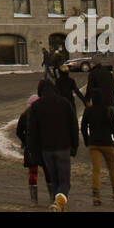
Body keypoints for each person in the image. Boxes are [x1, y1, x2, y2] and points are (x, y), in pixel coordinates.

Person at [24, 80, 80, 211]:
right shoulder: (64, 103)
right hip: (63, 147)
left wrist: (34, 152)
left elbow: (32, 133)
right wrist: (74, 146)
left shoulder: (36, 107)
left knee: (54, 179)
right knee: (64, 181)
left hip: (46, 150)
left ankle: (59, 205)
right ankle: (59, 201)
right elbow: (73, 126)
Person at [81, 87, 114, 205]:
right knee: (111, 168)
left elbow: (83, 126)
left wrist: (86, 140)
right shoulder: (107, 110)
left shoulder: (88, 111)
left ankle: (96, 195)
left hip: (94, 143)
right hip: (106, 143)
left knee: (96, 169)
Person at [14, 93, 43, 206]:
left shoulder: (25, 115)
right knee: (48, 172)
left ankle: (34, 200)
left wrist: (25, 141)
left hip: (30, 147)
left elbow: (18, 131)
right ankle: (52, 196)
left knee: (32, 173)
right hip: (42, 147)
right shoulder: (43, 114)